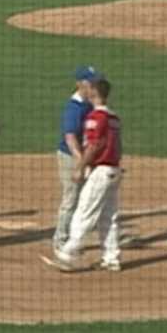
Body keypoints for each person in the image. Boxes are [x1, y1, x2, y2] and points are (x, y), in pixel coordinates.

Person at [43, 78, 123, 272]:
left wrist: (81, 166)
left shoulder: (96, 117)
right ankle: (111, 258)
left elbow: (94, 145)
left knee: (84, 213)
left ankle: (67, 255)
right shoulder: (113, 117)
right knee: (108, 217)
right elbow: (117, 146)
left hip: (100, 171)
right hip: (114, 170)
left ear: (94, 92)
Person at [53, 66, 101, 250]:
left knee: (88, 196)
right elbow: (70, 138)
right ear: (80, 84)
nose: (94, 86)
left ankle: (80, 232)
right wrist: (81, 163)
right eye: (91, 82)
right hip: (71, 157)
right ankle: (61, 239)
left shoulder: (90, 103)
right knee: (71, 198)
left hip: (85, 156)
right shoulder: (74, 108)